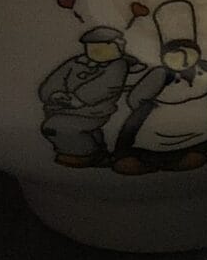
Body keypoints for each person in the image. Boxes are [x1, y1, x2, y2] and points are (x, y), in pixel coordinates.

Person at [109, 0, 207, 173]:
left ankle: (186, 157)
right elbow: (137, 98)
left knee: (194, 147)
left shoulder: (204, 68)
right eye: (176, 53)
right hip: (158, 121)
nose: (184, 59)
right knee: (148, 144)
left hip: (196, 128)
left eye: (188, 52)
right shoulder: (160, 74)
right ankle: (141, 159)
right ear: (164, 55)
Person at [35, 25, 142, 166]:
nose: (97, 51)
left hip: (92, 111)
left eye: (105, 46)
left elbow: (106, 86)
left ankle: (83, 154)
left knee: (56, 127)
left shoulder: (117, 65)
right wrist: (53, 94)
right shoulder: (76, 62)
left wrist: (79, 99)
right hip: (61, 107)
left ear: (118, 46)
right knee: (86, 132)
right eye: (92, 47)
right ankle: (98, 152)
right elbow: (56, 79)